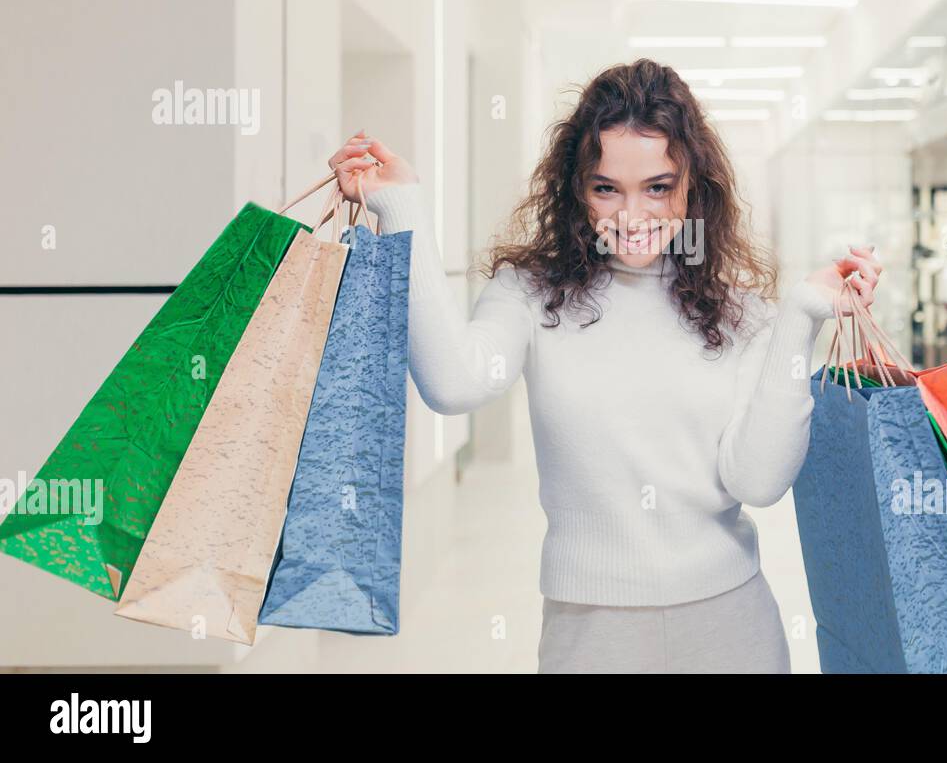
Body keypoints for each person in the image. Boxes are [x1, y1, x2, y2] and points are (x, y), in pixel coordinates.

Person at [326, 58, 881, 673]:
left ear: (693, 184)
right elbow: (453, 384)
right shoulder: (529, 294)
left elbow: (758, 483)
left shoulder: (741, 313)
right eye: (606, 188)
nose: (632, 217)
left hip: (732, 626)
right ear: (576, 190)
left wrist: (801, 317)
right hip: (589, 636)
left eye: (658, 187)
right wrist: (402, 207)